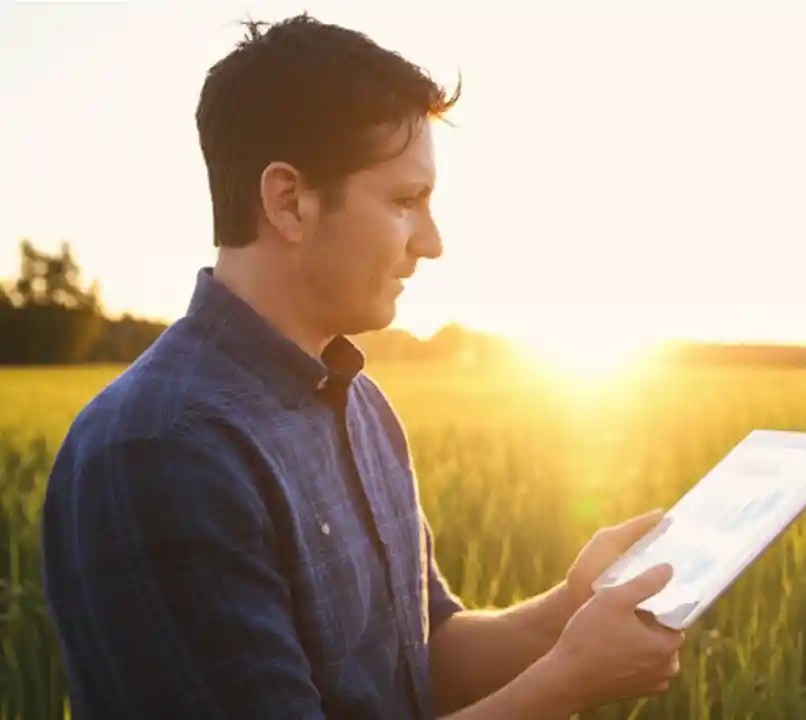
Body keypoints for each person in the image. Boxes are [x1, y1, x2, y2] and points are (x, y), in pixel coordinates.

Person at [40, 12, 684, 719]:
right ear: (289, 201)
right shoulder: (162, 450)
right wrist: (570, 680)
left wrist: (570, 608)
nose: (432, 243)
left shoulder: (361, 405)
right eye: (406, 201)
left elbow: (426, 655)